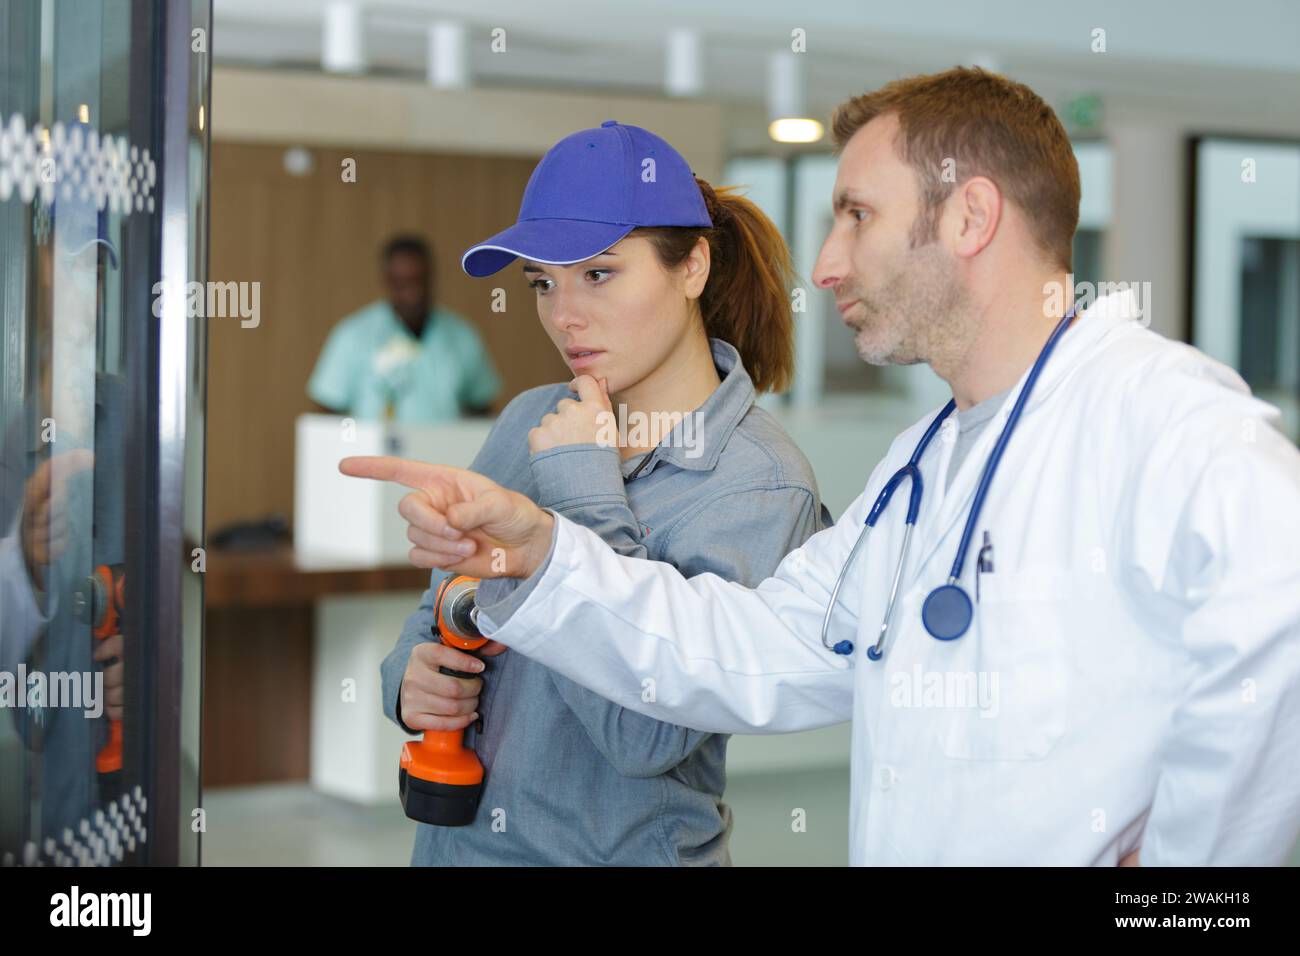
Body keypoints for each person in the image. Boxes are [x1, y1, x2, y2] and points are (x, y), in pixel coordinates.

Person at [343, 69, 1300, 866]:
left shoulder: (1159, 416)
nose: (828, 263)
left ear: (970, 216)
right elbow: (743, 649)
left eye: (855, 214)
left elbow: (1279, 628)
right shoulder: (924, 464)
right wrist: (543, 550)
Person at [371, 121, 833, 865]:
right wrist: (410, 680)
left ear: (693, 268)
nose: (564, 316)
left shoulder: (758, 482)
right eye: (542, 283)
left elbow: (647, 735)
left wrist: (581, 491)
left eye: (598, 274)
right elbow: (445, 608)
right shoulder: (531, 417)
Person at [307, 235, 502, 423]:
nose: (413, 293)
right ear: (387, 281)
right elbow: (326, 411)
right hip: (374, 453)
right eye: (402, 283)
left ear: (431, 277)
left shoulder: (463, 336)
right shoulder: (352, 336)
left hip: (442, 454)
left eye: (419, 281)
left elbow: (482, 411)